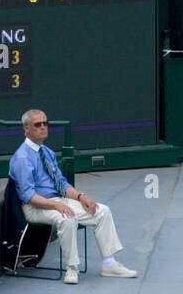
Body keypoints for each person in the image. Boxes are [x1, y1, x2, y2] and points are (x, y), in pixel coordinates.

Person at [10, 108, 137, 284]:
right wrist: (56, 206)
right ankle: (72, 268)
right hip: (35, 207)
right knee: (67, 218)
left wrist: (81, 197)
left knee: (102, 211)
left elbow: (61, 183)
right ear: (26, 129)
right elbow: (28, 196)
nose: (43, 127)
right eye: (37, 124)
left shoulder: (47, 152)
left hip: (57, 201)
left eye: (45, 123)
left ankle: (109, 264)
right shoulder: (22, 158)